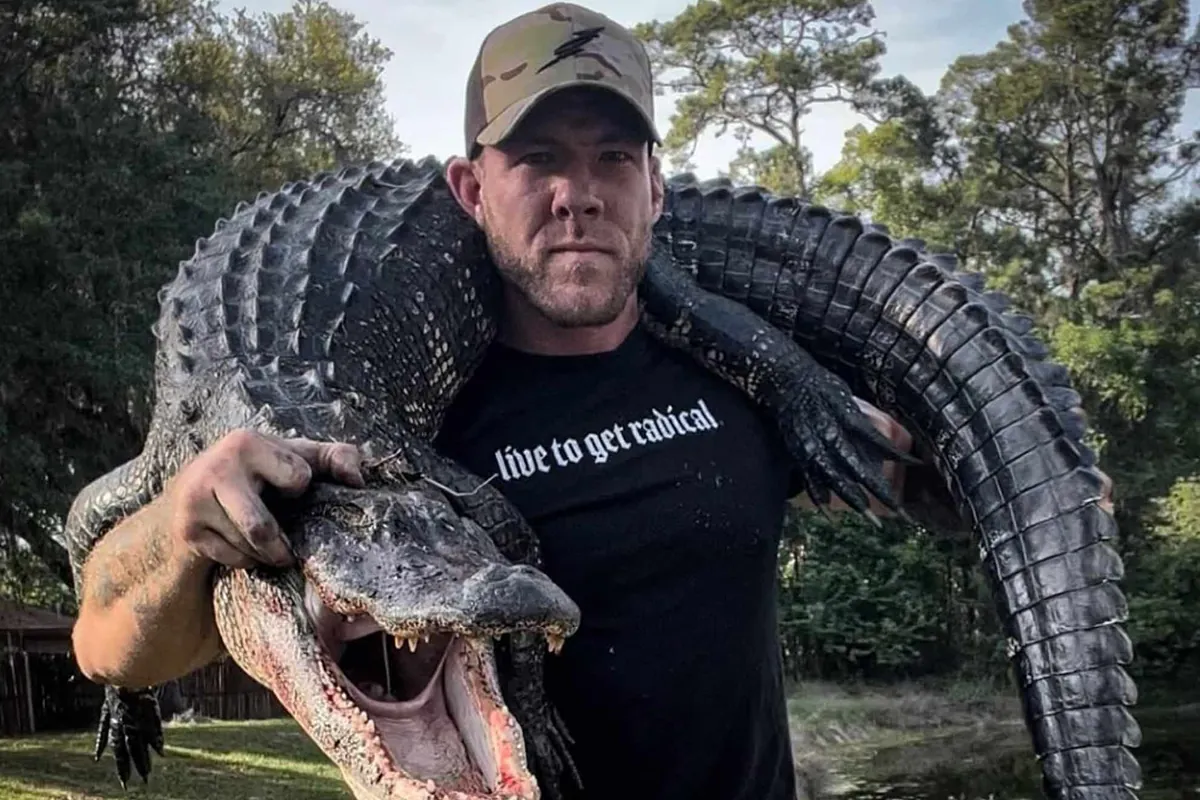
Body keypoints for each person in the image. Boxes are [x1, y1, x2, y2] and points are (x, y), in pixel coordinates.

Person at [70, 4, 1113, 800]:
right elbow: (109, 637)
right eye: (537, 159)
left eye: (613, 157)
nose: (578, 193)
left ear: (654, 185)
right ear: (469, 191)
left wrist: (1027, 480)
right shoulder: (352, 461)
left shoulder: (740, 379)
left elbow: (952, 479)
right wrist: (175, 531)